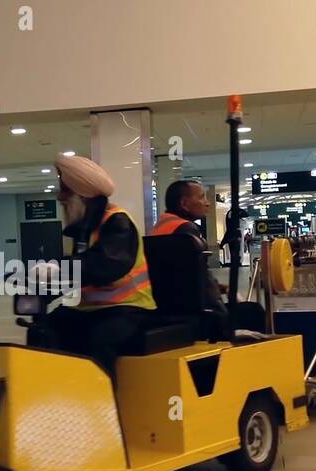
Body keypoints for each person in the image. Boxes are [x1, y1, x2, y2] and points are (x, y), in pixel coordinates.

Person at [39, 154, 156, 380]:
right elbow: (79, 275)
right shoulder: (85, 228)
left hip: (129, 310)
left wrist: (59, 268)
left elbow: (106, 264)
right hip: (92, 310)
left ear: (82, 195)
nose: (59, 197)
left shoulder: (117, 222)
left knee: (98, 341)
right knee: (45, 330)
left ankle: (102, 406)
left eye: (65, 191)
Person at [150, 179, 228, 309]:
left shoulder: (160, 227)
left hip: (166, 306)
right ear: (184, 204)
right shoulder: (186, 230)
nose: (207, 203)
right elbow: (199, 280)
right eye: (202, 197)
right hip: (194, 311)